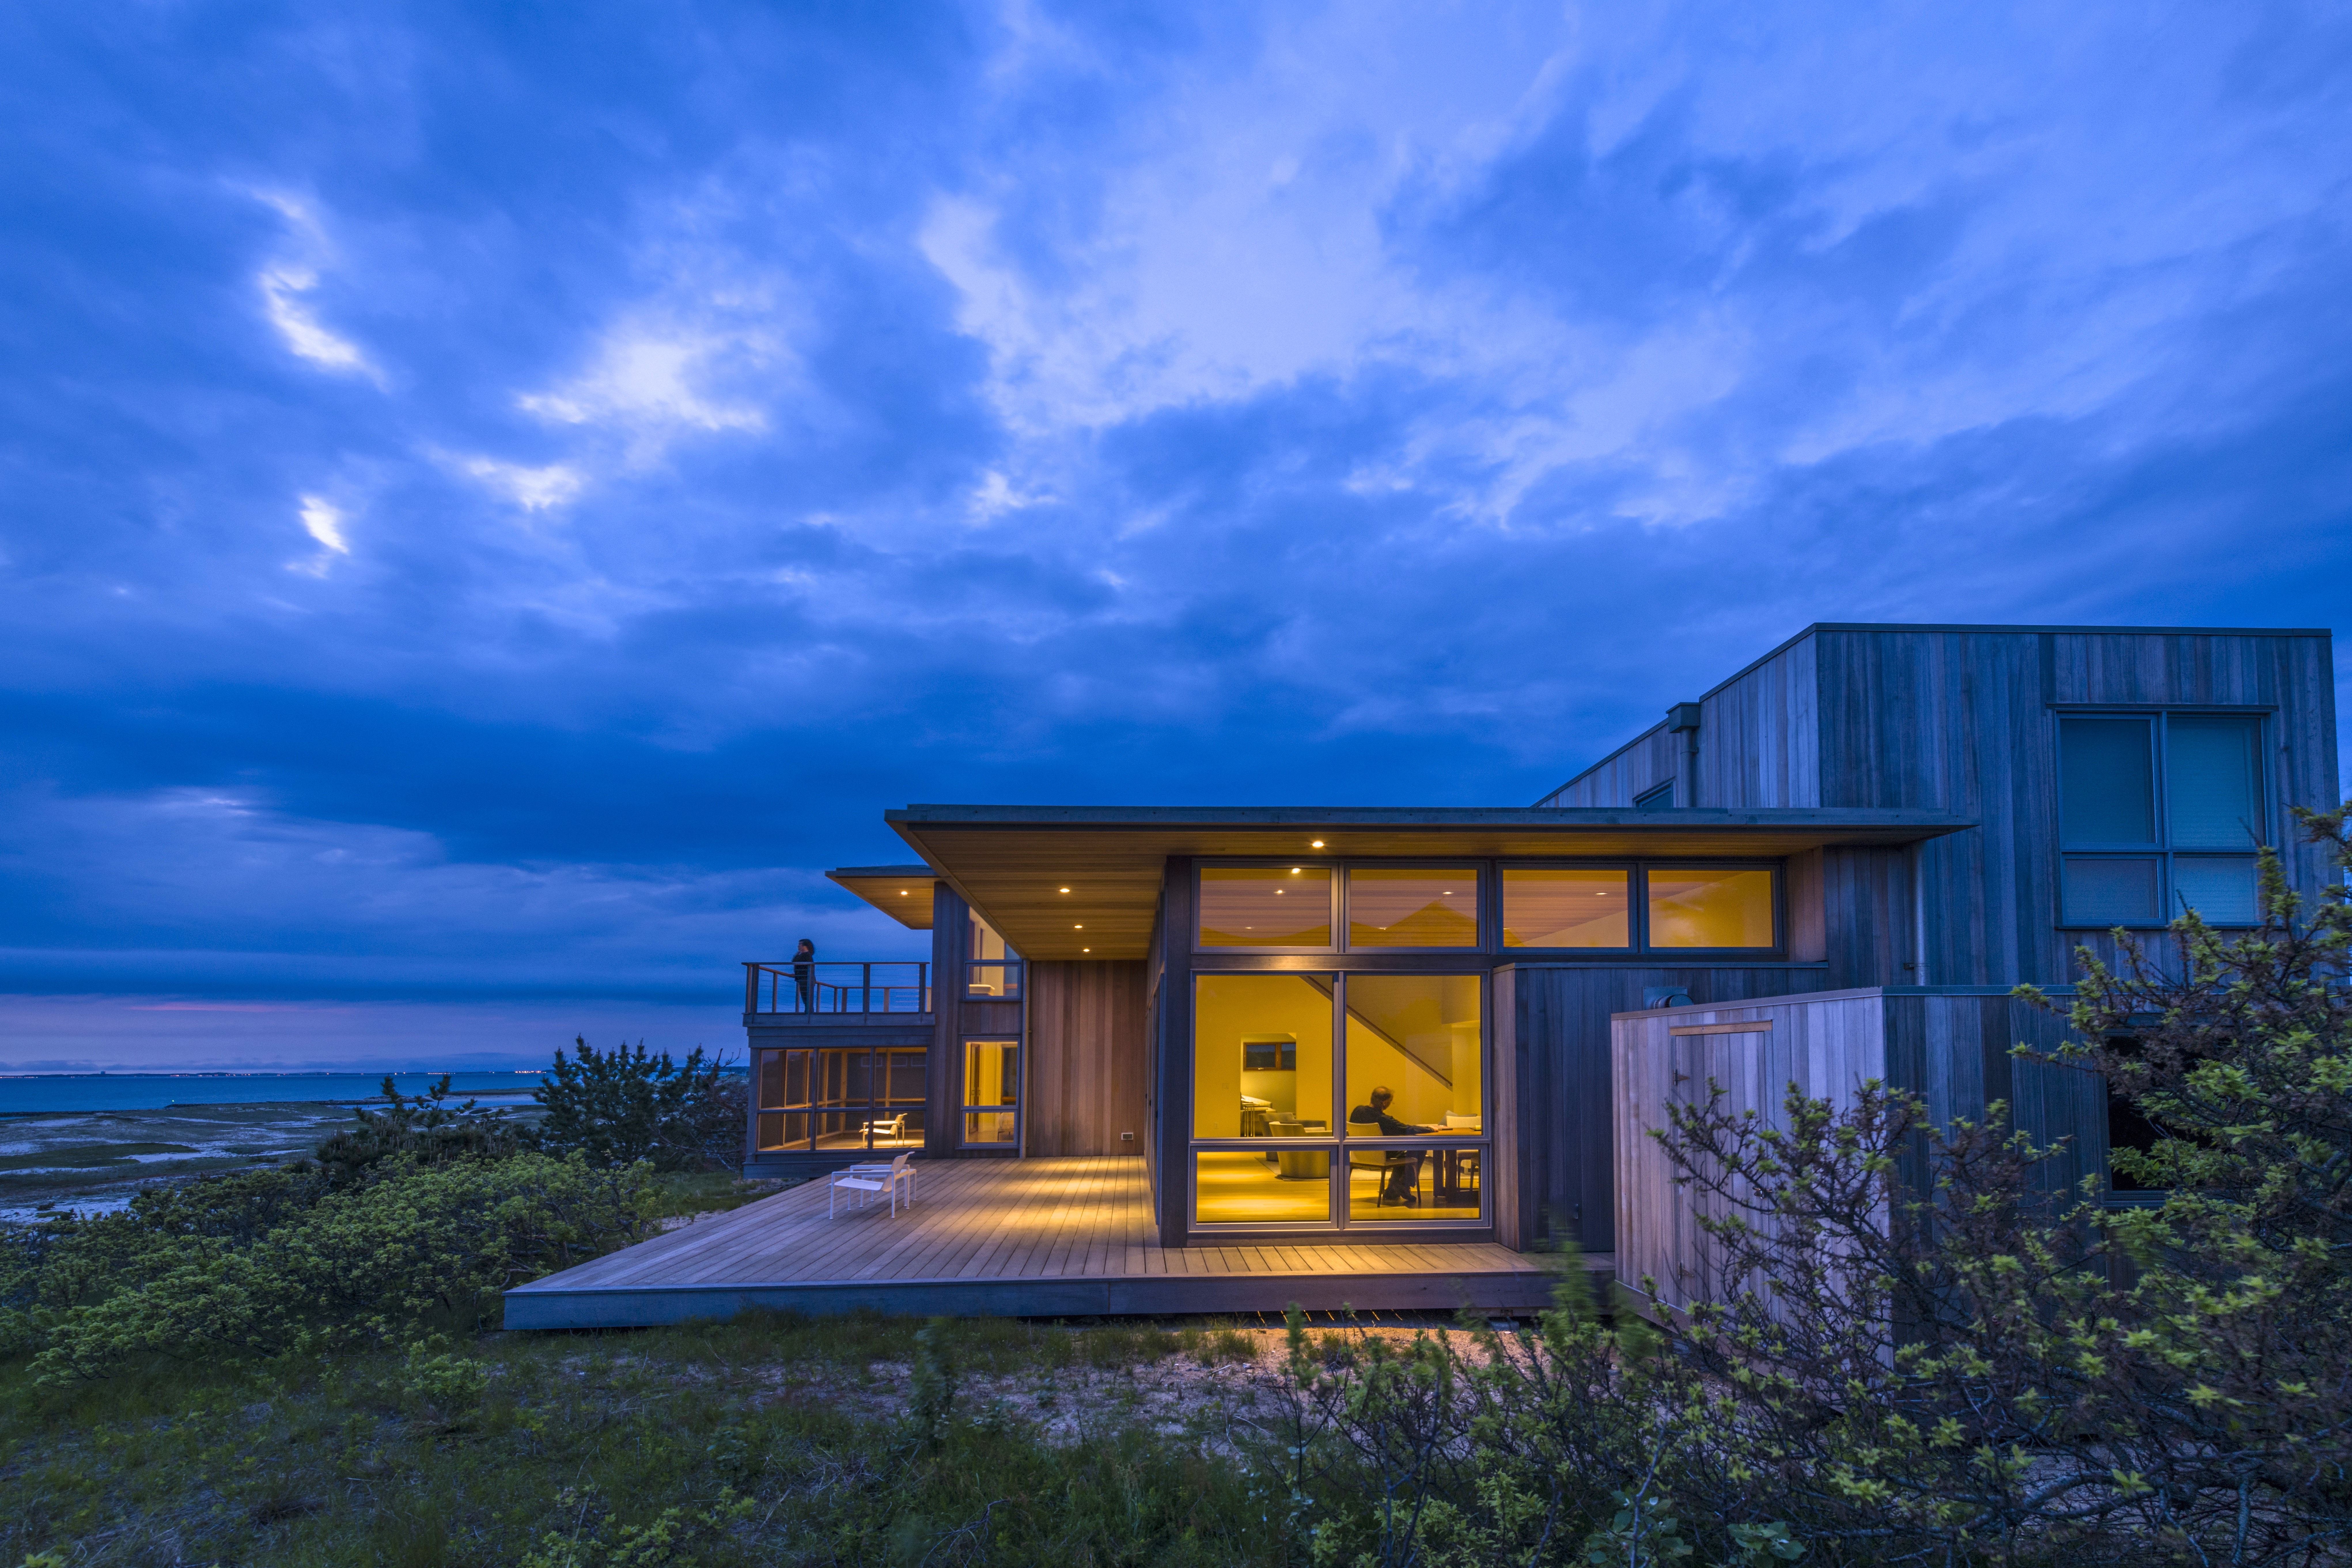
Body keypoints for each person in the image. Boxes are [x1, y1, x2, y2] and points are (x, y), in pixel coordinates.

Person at [1347, 1085, 1432, 1205]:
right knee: (1419, 1149)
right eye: (1390, 1103)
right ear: (1385, 1103)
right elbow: (1407, 1129)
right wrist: (1430, 1129)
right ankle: (1403, 1185)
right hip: (1380, 1156)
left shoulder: (1358, 1111)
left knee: (1404, 1153)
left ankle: (1394, 1190)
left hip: (1360, 1154)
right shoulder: (1383, 1119)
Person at [791, 938, 817, 1012]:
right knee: (806, 999)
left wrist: (798, 953)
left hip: (806, 980)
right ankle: (808, 1014)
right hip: (805, 979)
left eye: (800, 944)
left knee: (807, 999)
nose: (798, 946)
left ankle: (809, 1015)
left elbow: (795, 961)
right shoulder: (805, 955)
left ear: (805, 946)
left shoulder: (806, 955)